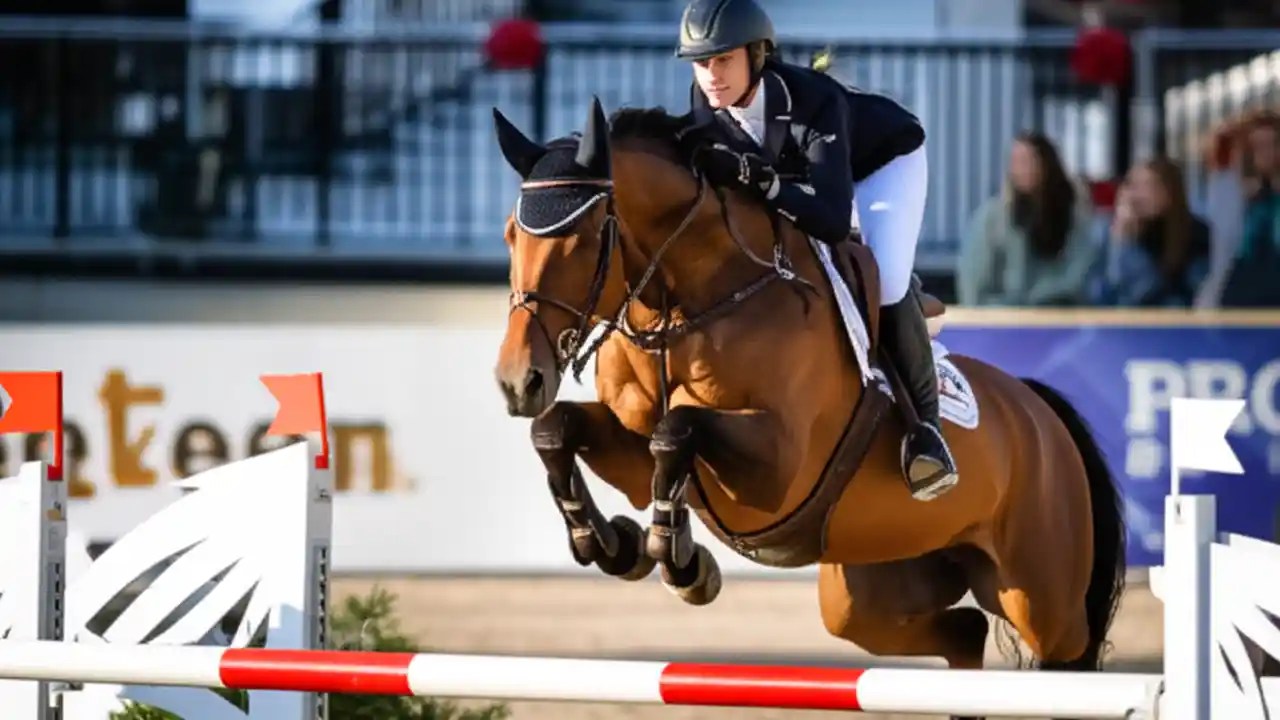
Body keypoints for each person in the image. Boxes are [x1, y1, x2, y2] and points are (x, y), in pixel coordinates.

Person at [674, 0, 957, 501]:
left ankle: (927, 432)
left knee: (886, 276)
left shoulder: (812, 101)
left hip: (880, 168)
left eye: (723, 60)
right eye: (702, 62)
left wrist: (762, 182)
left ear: (757, 55)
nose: (711, 76)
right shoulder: (704, 107)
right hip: (808, 185)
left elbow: (827, 218)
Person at [956, 133, 1098, 307]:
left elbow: (1081, 274)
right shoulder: (992, 219)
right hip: (1003, 320)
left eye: (1027, 160)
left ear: (1047, 165)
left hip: (1062, 316)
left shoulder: (1075, 215)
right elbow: (973, 284)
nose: (1020, 169)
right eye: (1015, 162)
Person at [1087, 157, 1210, 307]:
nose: (1137, 195)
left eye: (1149, 186)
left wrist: (1127, 245)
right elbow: (1100, 295)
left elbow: (1178, 300)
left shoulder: (1196, 233)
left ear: (1171, 193)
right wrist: (1120, 241)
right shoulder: (1105, 230)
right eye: (1132, 185)